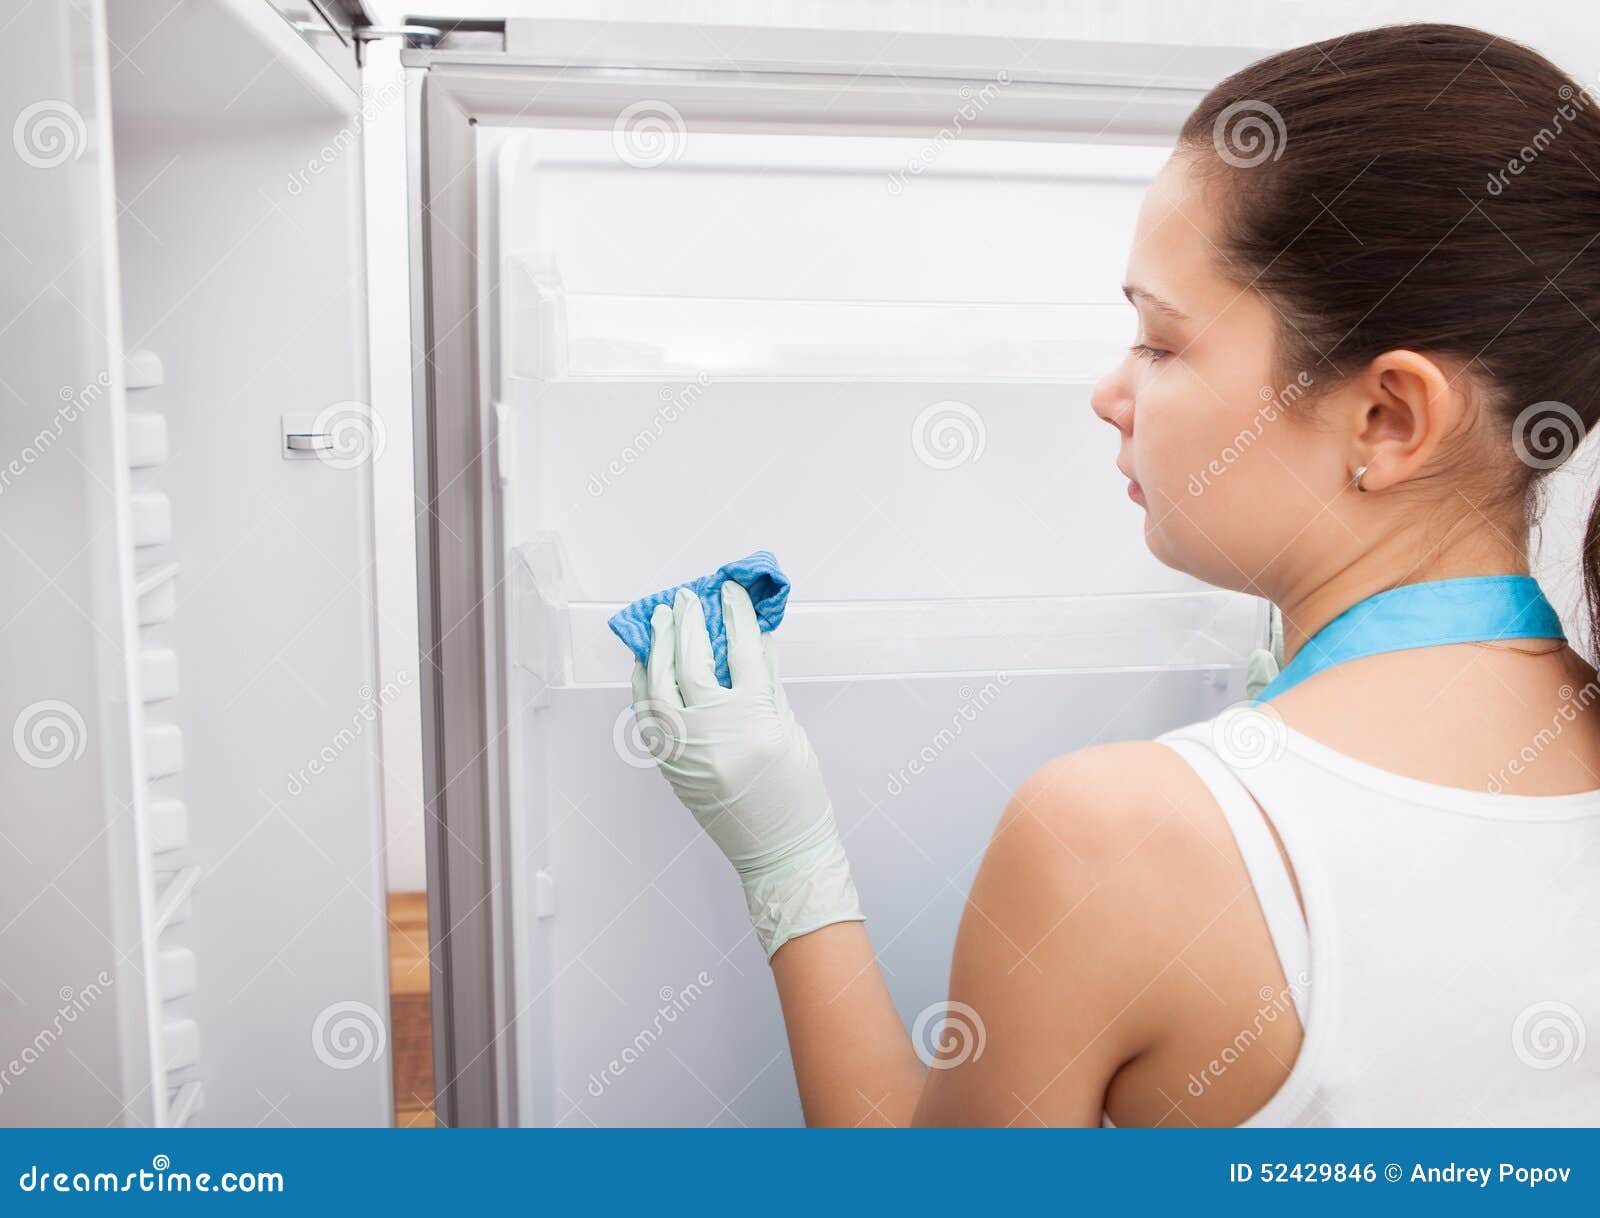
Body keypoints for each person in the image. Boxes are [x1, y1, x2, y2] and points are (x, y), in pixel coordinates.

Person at [628, 23, 1600, 1126]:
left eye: (1160, 341)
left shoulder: (1113, 837)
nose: (1111, 391)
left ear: (1385, 417)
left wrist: (788, 867)